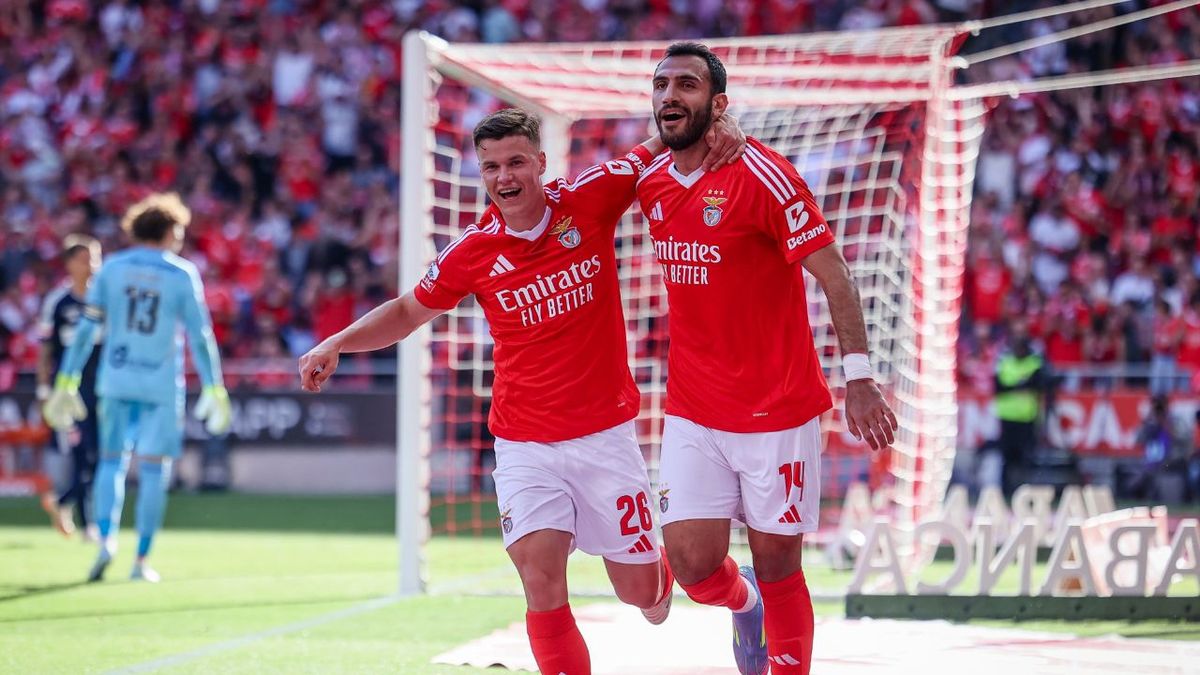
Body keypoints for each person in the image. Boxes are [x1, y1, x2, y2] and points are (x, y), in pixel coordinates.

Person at [299, 108, 744, 675]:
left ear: (540, 162)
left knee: (644, 599)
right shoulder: (474, 250)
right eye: (491, 167)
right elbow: (411, 309)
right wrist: (337, 341)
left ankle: (735, 593)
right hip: (524, 444)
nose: (504, 177)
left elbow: (660, 145)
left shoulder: (589, 198)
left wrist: (716, 130)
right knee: (539, 577)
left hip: (605, 438)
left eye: (515, 162)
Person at [636, 42, 898, 675]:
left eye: (688, 85)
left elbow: (834, 272)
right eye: (662, 84)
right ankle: (742, 603)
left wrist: (858, 378)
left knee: (782, 565)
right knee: (694, 570)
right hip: (696, 413)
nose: (671, 95)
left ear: (718, 104)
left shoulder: (763, 174)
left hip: (778, 411)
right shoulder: (647, 180)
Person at [44, 193, 232, 583]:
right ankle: (141, 560)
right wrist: (215, 386)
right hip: (161, 385)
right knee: (153, 471)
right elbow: (200, 336)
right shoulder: (181, 274)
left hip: (115, 379)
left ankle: (105, 540)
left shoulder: (112, 269)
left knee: (110, 462)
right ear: (168, 230)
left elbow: (86, 329)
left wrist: (66, 379)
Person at [36, 235, 103, 538]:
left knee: (99, 454)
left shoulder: (104, 298)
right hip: (68, 390)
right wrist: (43, 391)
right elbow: (45, 351)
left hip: (100, 387)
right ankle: (88, 522)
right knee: (82, 453)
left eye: (95, 257)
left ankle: (62, 501)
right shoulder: (58, 302)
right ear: (70, 264)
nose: (92, 264)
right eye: (85, 258)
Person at [993, 324, 1048, 496]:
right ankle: (1005, 492)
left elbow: (1039, 384)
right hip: (1008, 417)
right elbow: (998, 387)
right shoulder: (1005, 362)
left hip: (1027, 418)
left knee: (1027, 458)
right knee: (1007, 458)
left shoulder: (1034, 363)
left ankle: (1027, 492)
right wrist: (1021, 385)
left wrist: (1014, 386)